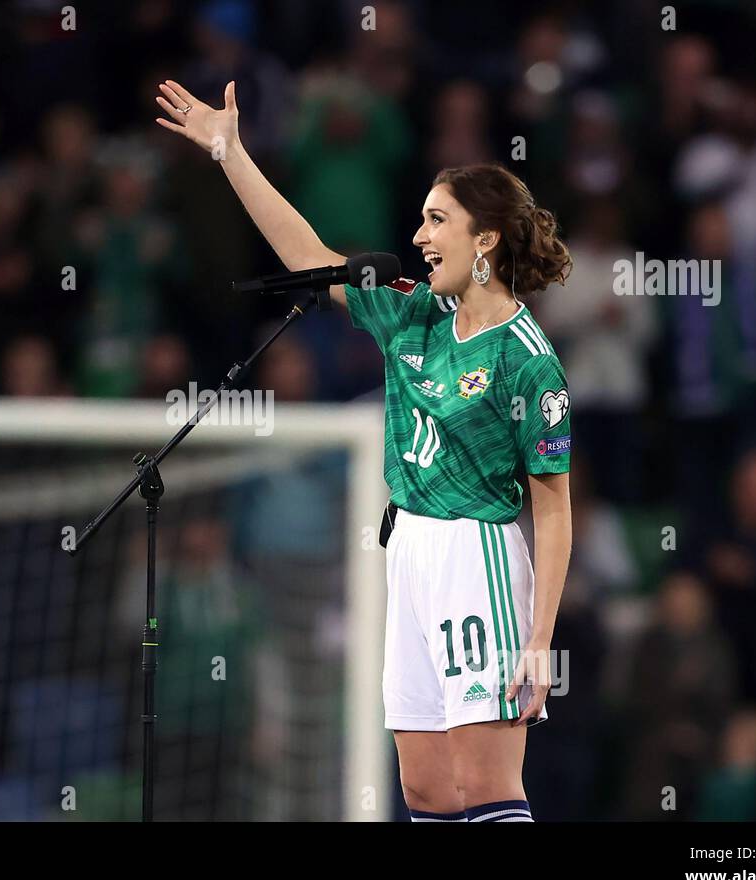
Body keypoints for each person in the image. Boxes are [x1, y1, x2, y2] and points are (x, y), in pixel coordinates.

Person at [155, 79, 573, 822]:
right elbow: (310, 253)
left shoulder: (528, 358)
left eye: (437, 219)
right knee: (423, 789)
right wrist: (231, 153)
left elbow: (554, 506)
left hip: (475, 554)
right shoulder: (413, 311)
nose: (418, 235)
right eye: (419, 218)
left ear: (485, 240)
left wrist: (540, 638)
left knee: (486, 785)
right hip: (406, 550)